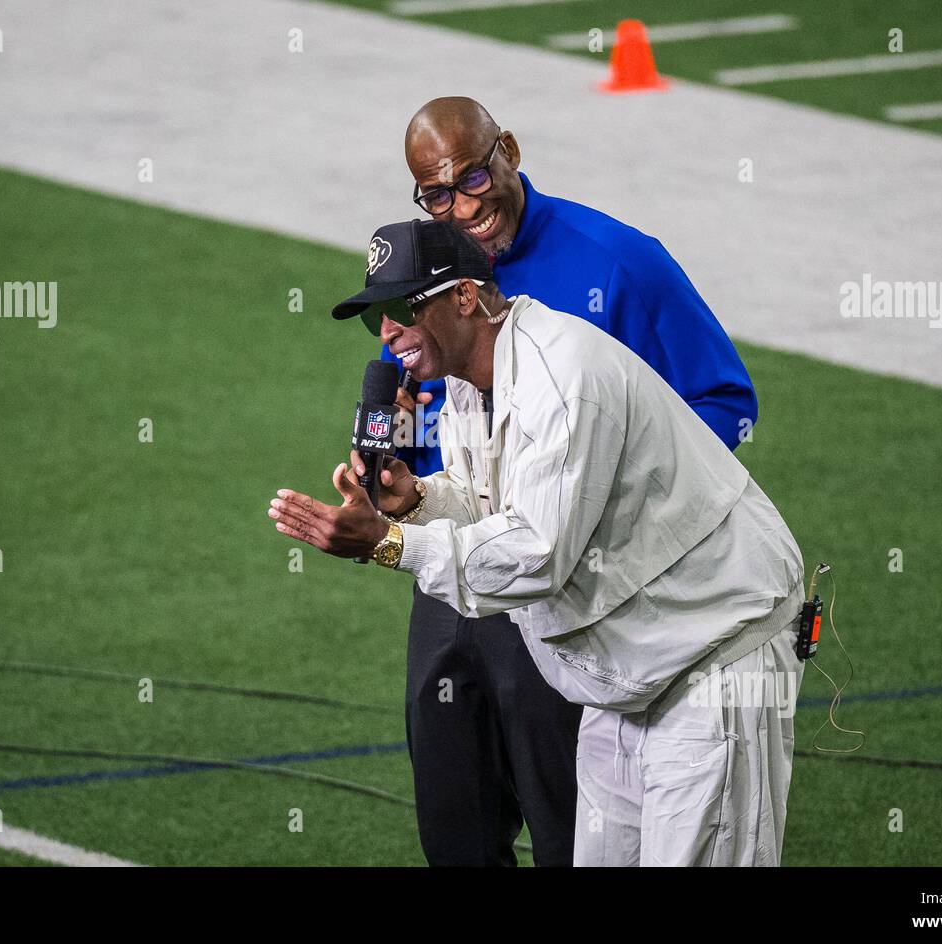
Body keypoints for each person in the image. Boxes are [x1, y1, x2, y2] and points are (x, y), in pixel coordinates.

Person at [268, 219, 805, 866]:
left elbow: (538, 553)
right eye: (373, 317)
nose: (386, 332)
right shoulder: (473, 382)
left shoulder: (563, 377)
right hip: (626, 670)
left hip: (713, 652)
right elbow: (490, 504)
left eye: (399, 308)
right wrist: (415, 502)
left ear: (464, 297)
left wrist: (389, 543)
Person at [381, 97, 758, 866]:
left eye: (475, 177)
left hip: (567, 575)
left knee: (571, 817)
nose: (463, 206)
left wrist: (611, 496)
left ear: (509, 151)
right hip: (457, 560)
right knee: (452, 805)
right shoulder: (430, 274)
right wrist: (400, 458)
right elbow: (426, 431)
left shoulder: (619, 260)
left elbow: (725, 404)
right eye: (436, 194)